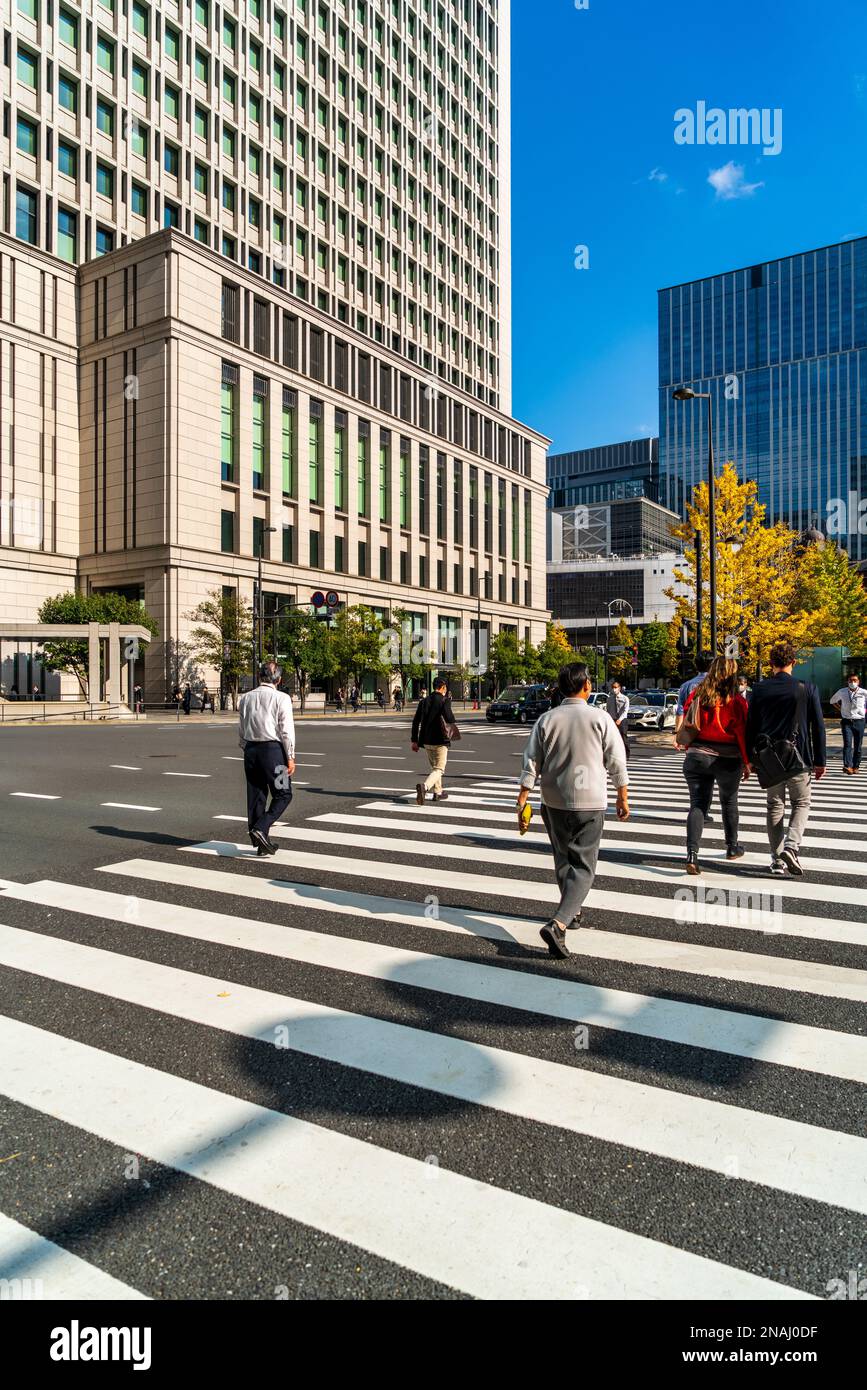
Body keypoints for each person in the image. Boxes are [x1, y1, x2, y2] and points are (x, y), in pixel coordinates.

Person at [517, 661, 629, 960]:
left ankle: (573, 910)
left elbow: (531, 760)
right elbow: (616, 759)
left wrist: (523, 796)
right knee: (585, 865)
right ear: (587, 685)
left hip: (554, 798)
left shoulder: (547, 719)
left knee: (563, 857)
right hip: (590, 798)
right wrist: (622, 794)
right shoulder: (600, 718)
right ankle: (559, 922)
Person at [745, 639, 827, 877]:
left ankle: (776, 860)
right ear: (793, 662)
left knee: (775, 806)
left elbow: (751, 726)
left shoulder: (759, 689)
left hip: (768, 758)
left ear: (770, 663)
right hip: (798, 755)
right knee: (801, 803)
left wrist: (748, 759)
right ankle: (791, 846)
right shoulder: (806, 688)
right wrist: (820, 760)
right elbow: (818, 727)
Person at [680, 656, 750, 874]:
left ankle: (692, 854)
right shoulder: (736, 701)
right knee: (729, 801)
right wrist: (747, 762)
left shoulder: (698, 694)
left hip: (697, 754)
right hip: (728, 758)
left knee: (698, 804)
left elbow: (687, 716)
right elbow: (742, 733)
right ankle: (732, 847)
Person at [237, 661, 296, 855]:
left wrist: (246, 748)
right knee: (284, 793)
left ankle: (261, 844)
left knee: (256, 796)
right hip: (273, 752)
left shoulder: (245, 698)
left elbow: (241, 729)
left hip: (251, 751)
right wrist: (290, 756)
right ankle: (261, 827)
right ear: (278, 679)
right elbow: (286, 730)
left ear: (259, 677)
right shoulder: (282, 698)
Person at [411, 677, 457, 803]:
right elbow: (449, 718)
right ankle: (424, 787)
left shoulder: (424, 701)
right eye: (445, 688)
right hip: (440, 740)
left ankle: (438, 792)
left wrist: (414, 740)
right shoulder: (444, 700)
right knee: (439, 769)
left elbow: (415, 722)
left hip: (426, 740)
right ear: (443, 687)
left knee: (435, 768)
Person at [830, 672, 866, 775]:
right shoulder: (842, 692)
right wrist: (840, 708)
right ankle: (847, 766)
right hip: (846, 722)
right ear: (847, 681)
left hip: (859, 721)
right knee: (847, 744)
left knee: (858, 746)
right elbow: (832, 701)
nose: (852, 682)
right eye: (850, 680)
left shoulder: (864, 692)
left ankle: (856, 766)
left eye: (855, 680)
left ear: (858, 682)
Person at [674, 656, 711, 743]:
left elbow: (680, 711)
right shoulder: (719, 685)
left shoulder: (686, 685)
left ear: (696, 666)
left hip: (692, 733)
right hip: (713, 732)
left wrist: (677, 734)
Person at [606, 680, 630, 759]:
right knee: (612, 739)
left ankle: (626, 755)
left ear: (619, 688)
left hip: (622, 720)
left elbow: (625, 711)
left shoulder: (625, 698)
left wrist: (619, 719)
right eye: (613, 687)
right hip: (612, 720)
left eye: (616, 687)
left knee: (623, 737)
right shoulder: (609, 699)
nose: (614, 689)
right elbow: (608, 710)